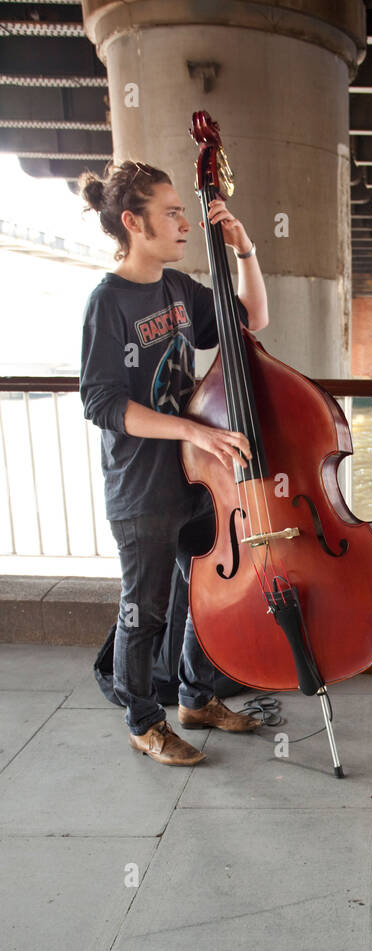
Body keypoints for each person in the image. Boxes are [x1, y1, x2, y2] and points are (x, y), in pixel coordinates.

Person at [79, 159, 269, 765]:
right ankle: (143, 722)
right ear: (133, 222)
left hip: (195, 475)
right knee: (144, 610)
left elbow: (250, 324)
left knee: (197, 592)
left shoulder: (178, 289)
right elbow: (104, 402)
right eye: (171, 211)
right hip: (141, 487)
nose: (185, 221)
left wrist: (246, 251)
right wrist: (191, 427)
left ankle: (195, 697)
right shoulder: (107, 302)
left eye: (184, 211)